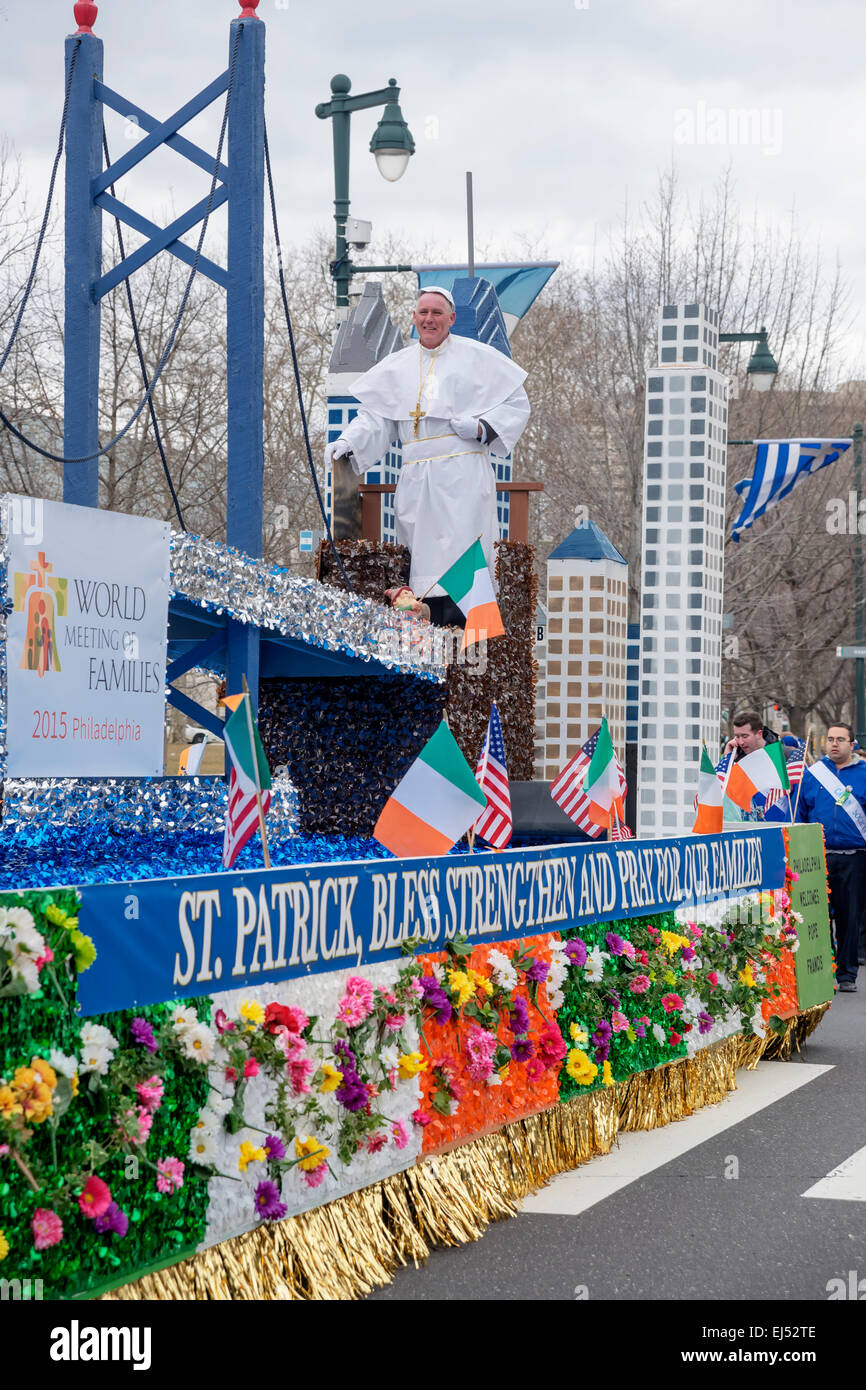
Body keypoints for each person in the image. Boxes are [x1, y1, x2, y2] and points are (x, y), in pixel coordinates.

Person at [325, 286, 530, 625]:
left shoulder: (477, 357)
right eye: (423, 313)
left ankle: (466, 632)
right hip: (417, 480)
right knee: (420, 560)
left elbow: (517, 404)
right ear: (414, 318)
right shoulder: (398, 367)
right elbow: (377, 418)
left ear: (451, 318)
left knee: (465, 552)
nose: (429, 319)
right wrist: (349, 441)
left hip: (463, 475)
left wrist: (480, 428)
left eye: (437, 313)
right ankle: (424, 627)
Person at [796, 722, 866, 992]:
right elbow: (801, 811)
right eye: (830, 739)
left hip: (854, 856)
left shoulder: (863, 773)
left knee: (850, 917)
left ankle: (847, 974)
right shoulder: (814, 775)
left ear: (852, 744)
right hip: (817, 856)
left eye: (840, 739)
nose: (834, 743)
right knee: (818, 916)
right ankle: (824, 971)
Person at [717, 710, 798, 821]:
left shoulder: (785, 755)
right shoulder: (736, 758)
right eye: (737, 736)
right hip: (750, 830)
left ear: (759, 734)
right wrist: (727, 758)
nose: (740, 742)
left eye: (745, 736)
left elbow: (800, 798)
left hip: (782, 829)